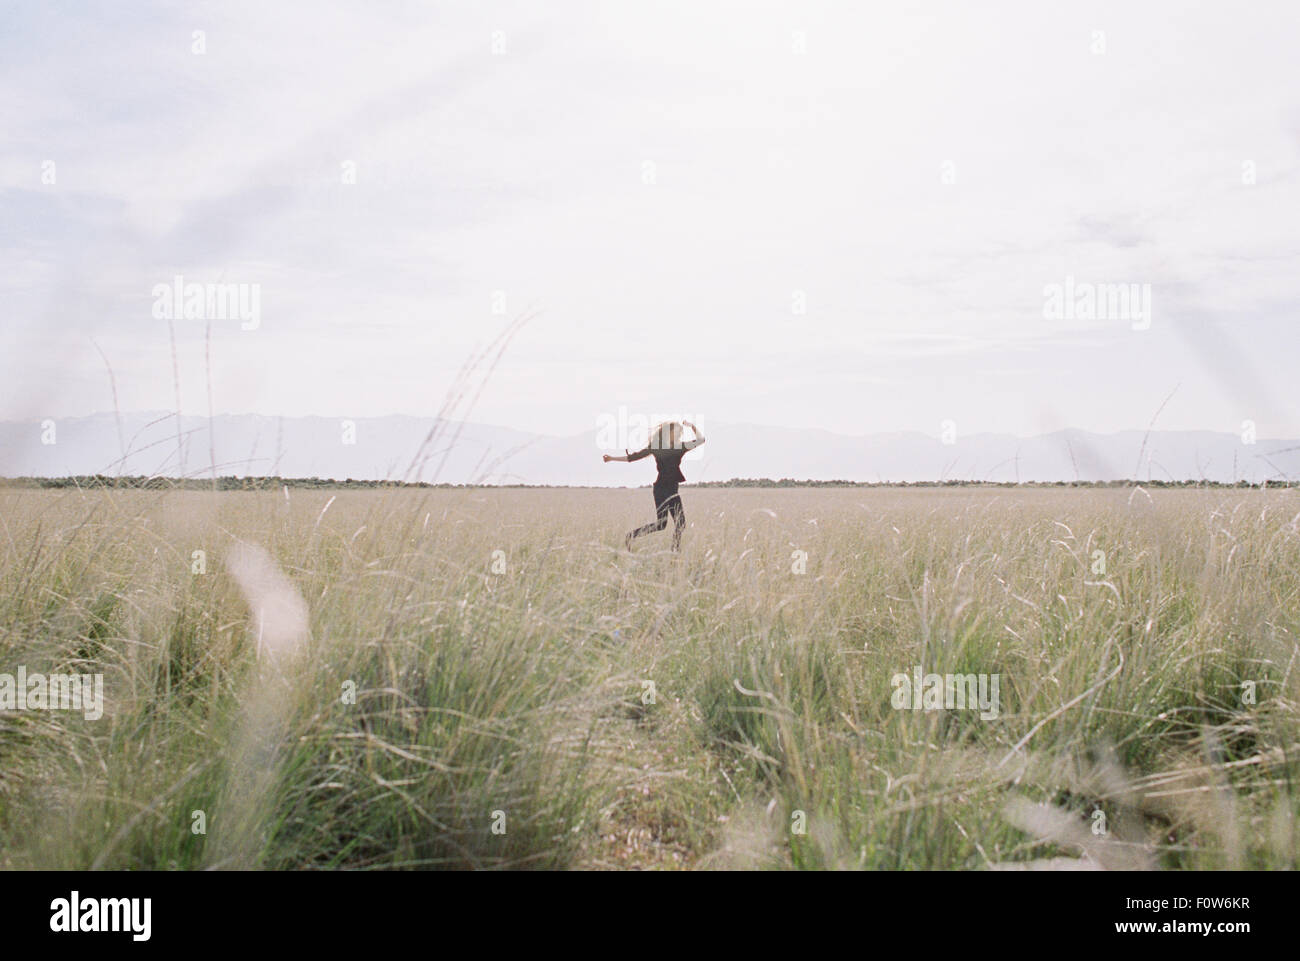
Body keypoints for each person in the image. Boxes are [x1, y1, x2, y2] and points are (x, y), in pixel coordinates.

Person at [603, 420, 705, 551]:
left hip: (673, 489)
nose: (680, 434)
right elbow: (633, 458)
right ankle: (630, 536)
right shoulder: (656, 447)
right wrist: (612, 458)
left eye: (681, 432)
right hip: (661, 489)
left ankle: (674, 551)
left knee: (681, 524)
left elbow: (701, 440)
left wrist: (693, 427)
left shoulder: (680, 447)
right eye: (678, 432)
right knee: (661, 524)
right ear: (669, 433)